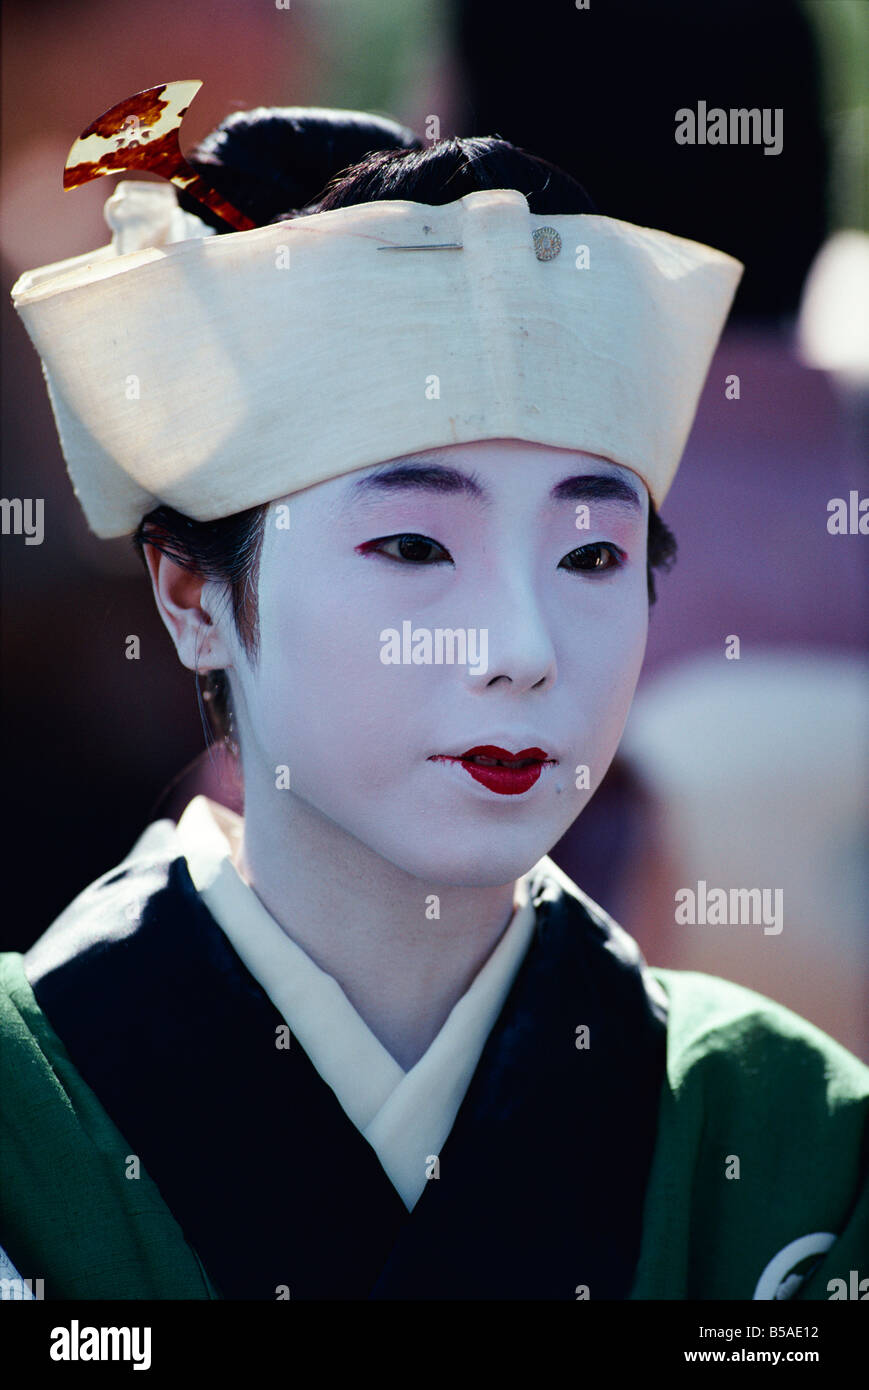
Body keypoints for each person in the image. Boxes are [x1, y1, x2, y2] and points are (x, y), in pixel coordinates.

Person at [1, 101, 866, 1302]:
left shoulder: (788, 1136)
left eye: (591, 558)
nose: (517, 648)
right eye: (412, 546)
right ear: (193, 595)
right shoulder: (24, 1110)